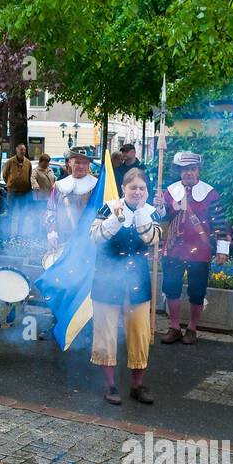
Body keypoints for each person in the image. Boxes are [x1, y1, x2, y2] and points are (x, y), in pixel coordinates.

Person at [90, 169, 158, 405]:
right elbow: (95, 238)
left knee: (139, 332)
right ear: (124, 189)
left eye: (141, 188)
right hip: (107, 278)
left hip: (137, 279)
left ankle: (137, 385)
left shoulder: (150, 212)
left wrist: (139, 214)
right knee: (106, 332)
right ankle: (109, 386)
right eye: (133, 188)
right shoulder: (108, 208)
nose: (137, 192)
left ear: (146, 191)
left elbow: (152, 239)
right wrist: (116, 219)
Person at [155, 151, 228, 345]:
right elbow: (162, 218)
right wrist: (160, 207)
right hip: (173, 249)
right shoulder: (169, 192)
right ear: (179, 171)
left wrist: (222, 249)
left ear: (198, 171)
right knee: (171, 288)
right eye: (185, 169)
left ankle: (192, 329)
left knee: (197, 292)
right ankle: (175, 327)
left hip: (200, 251)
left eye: (192, 169)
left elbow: (220, 222)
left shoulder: (210, 193)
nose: (189, 173)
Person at [45, 149, 98, 249]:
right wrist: (52, 232)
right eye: (77, 162)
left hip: (87, 240)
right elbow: (51, 210)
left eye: (85, 163)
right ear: (69, 162)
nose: (81, 166)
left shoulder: (96, 186)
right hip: (62, 239)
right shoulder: (59, 185)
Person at [1, 143, 33, 239]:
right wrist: (11, 183)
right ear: (16, 150)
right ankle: (8, 234)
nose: (22, 151)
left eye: (24, 150)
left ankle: (19, 234)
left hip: (24, 191)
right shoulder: (10, 162)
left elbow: (29, 176)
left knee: (22, 213)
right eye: (21, 149)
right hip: (12, 191)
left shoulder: (28, 163)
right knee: (10, 212)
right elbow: (5, 175)